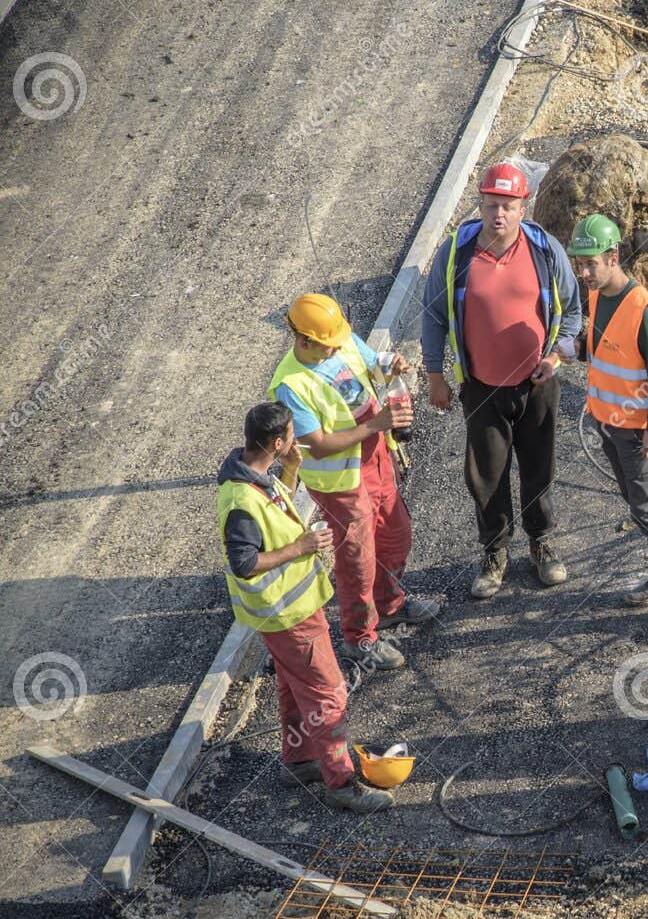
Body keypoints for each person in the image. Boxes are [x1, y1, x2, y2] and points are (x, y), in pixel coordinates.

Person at [217, 402, 394, 813]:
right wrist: (302, 547)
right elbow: (243, 563)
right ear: (277, 442)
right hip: (286, 614)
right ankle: (340, 782)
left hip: (289, 609)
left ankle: (299, 761)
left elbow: (277, 512)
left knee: (294, 685)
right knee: (328, 693)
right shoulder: (242, 500)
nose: (297, 441)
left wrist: (292, 470)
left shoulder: (254, 475)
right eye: (292, 437)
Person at [421, 162, 583, 599]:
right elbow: (434, 315)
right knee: (486, 476)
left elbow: (572, 310)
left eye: (508, 207)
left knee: (538, 469)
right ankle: (494, 552)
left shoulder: (545, 250)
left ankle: (541, 542)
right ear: (480, 204)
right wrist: (435, 376)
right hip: (481, 387)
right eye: (492, 205)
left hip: (538, 384)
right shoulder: (455, 252)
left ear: (523, 207)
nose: (499, 215)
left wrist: (556, 356)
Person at [269, 293, 437, 672]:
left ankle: (390, 606)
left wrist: (389, 364)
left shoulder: (338, 338)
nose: (335, 348)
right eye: (327, 346)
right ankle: (359, 638)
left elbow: (368, 361)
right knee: (357, 559)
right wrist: (375, 425)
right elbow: (319, 444)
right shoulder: (291, 386)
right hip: (341, 481)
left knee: (396, 533)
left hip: (376, 455)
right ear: (304, 340)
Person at [567, 213, 648, 639]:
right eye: (578, 264)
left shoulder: (644, 310)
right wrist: (571, 349)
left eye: (590, 264)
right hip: (608, 425)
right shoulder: (597, 294)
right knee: (638, 508)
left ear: (613, 256)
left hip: (637, 432)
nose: (583, 272)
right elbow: (604, 349)